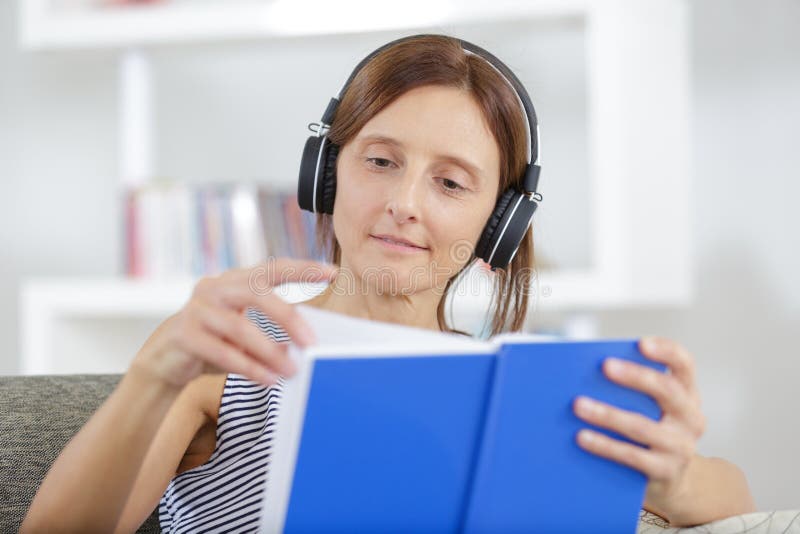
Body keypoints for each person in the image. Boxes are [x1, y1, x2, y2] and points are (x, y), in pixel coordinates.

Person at [22, 34, 756, 533]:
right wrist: (154, 374)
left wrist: (673, 478)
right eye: (379, 161)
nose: (405, 202)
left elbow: (738, 498)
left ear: (497, 223)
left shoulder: (515, 385)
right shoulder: (228, 350)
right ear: (326, 173)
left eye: (450, 181)